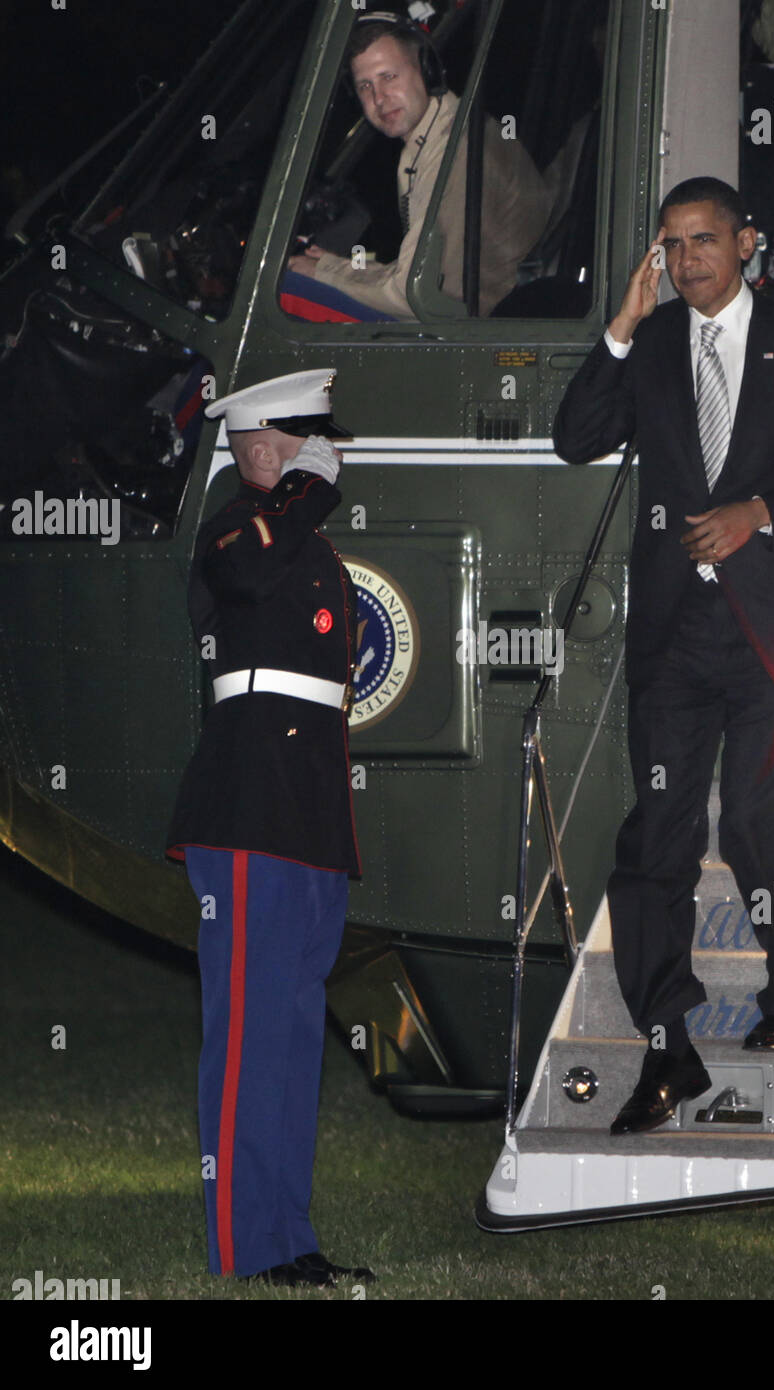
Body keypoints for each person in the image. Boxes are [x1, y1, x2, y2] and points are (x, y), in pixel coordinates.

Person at [553, 177, 774, 1136]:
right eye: (670, 244)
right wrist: (620, 323)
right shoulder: (652, 345)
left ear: (745, 243)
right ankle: (666, 1052)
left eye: (704, 240)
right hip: (672, 634)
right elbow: (576, 438)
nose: (687, 258)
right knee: (654, 841)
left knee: (753, 822)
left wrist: (761, 516)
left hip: (772, 630)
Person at [166, 369, 372, 1286]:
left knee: (290, 1032)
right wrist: (306, 491)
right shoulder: (230, 528)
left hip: (306, 810)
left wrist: (304, 501)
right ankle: (248, 1246)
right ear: (256, 446)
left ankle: (291, 1235)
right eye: (301, 442)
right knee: (250, 1032)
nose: (318, 456)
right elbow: (247, 573)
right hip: (249, 805)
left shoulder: (303, 542)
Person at [287, 12, 551, 319]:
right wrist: (334, 267)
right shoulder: (441, 135)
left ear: (426, 71)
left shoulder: (455, 150)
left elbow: (414, 296)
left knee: (288, 289)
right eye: (364, 86)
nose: (379, 98)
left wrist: (324, 273)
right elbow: (415, 274)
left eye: (389, 77)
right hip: (472, 317)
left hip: (469, 332)